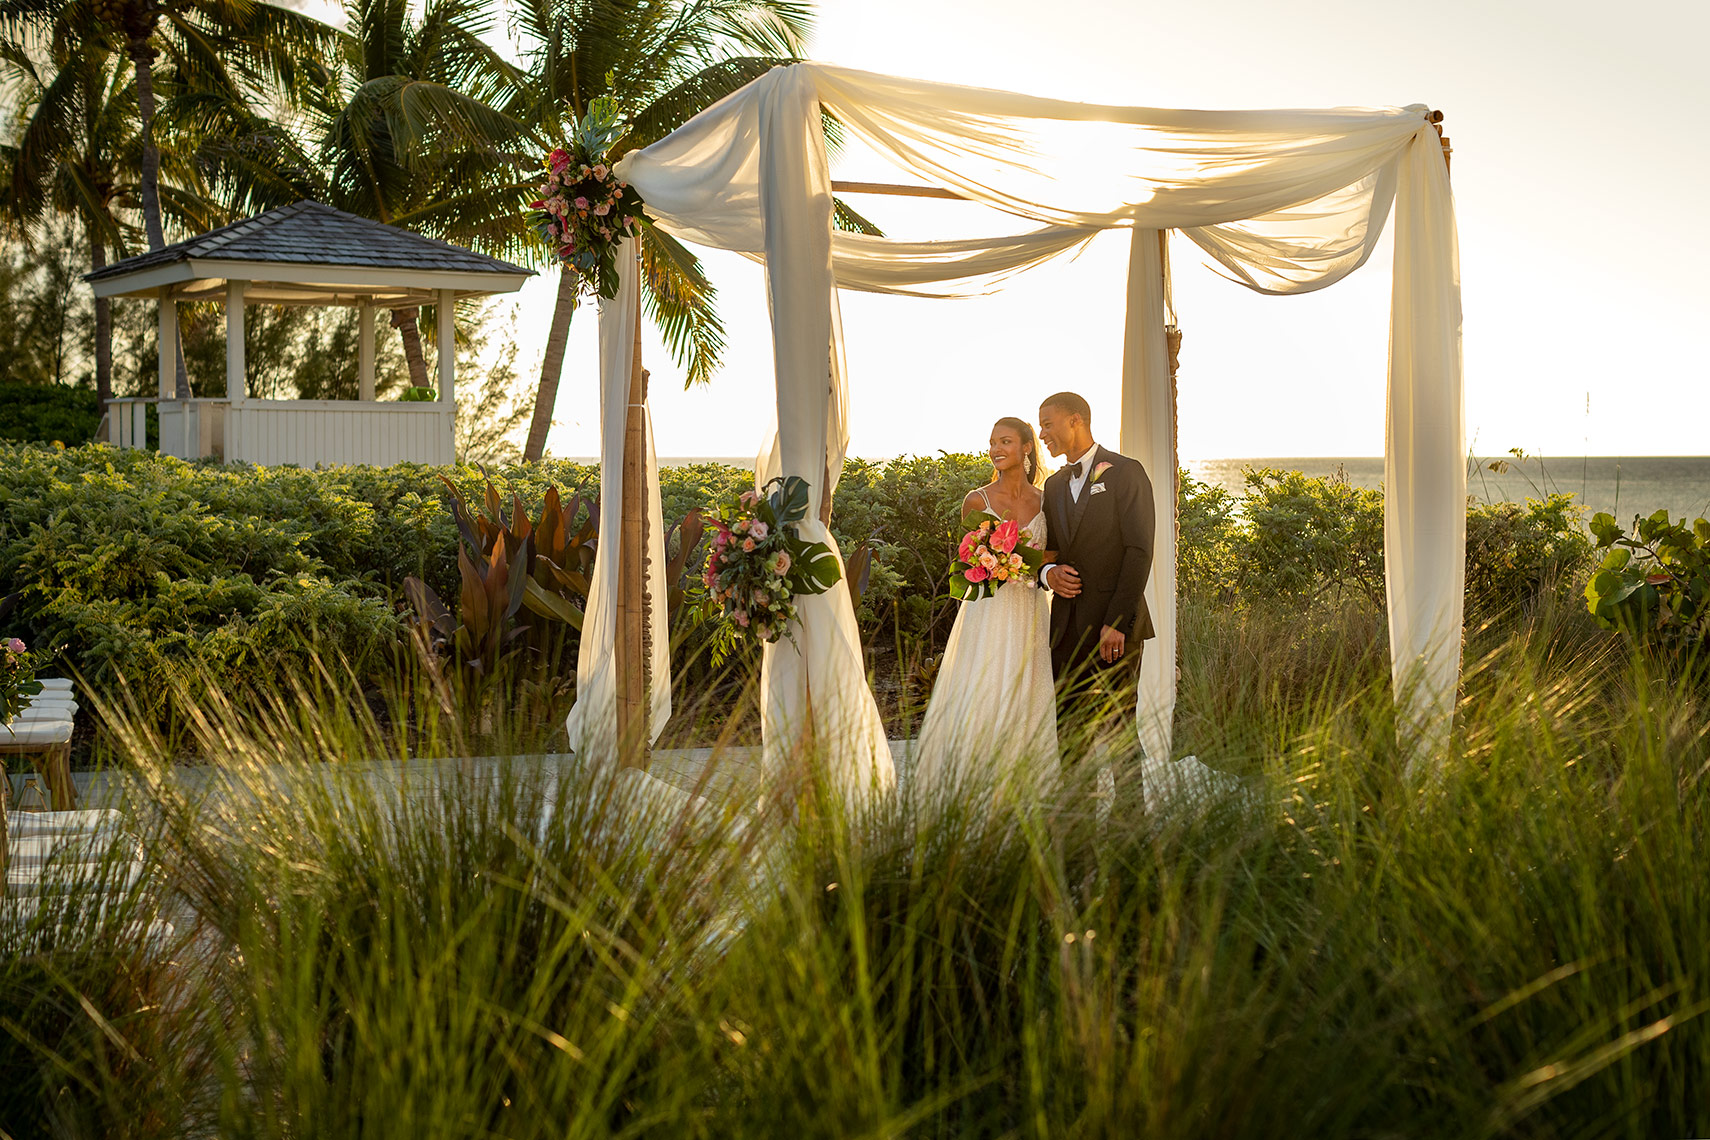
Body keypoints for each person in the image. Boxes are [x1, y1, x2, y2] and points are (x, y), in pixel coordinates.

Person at [913, 417, 1059, 804]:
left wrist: (1018, 562)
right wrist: (994, 561)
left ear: (1027, 447)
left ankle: (1028, 793)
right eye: (993, 442)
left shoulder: (1047, 501)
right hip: (989, 612)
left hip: (1030, 610)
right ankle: (977, 792)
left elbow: (1053, 555)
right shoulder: (977, 501)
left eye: (1006, 441)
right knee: (986, 687)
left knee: (1029, 691)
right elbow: (968, 561)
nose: (996, 448)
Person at [1036, 391, 1156, 764]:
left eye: (1047, 424)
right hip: (1066, 628)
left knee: (1120, 732)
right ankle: (1078, 818)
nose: (1042, 434)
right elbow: (1051, 550)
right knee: (1069, 732)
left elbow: (1139, 550)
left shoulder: (1126, 471)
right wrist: (1047, 574)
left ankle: (1129, 820)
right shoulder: (1053, 486)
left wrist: (1117, 622)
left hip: (1114, 628)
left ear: (1077, 421)